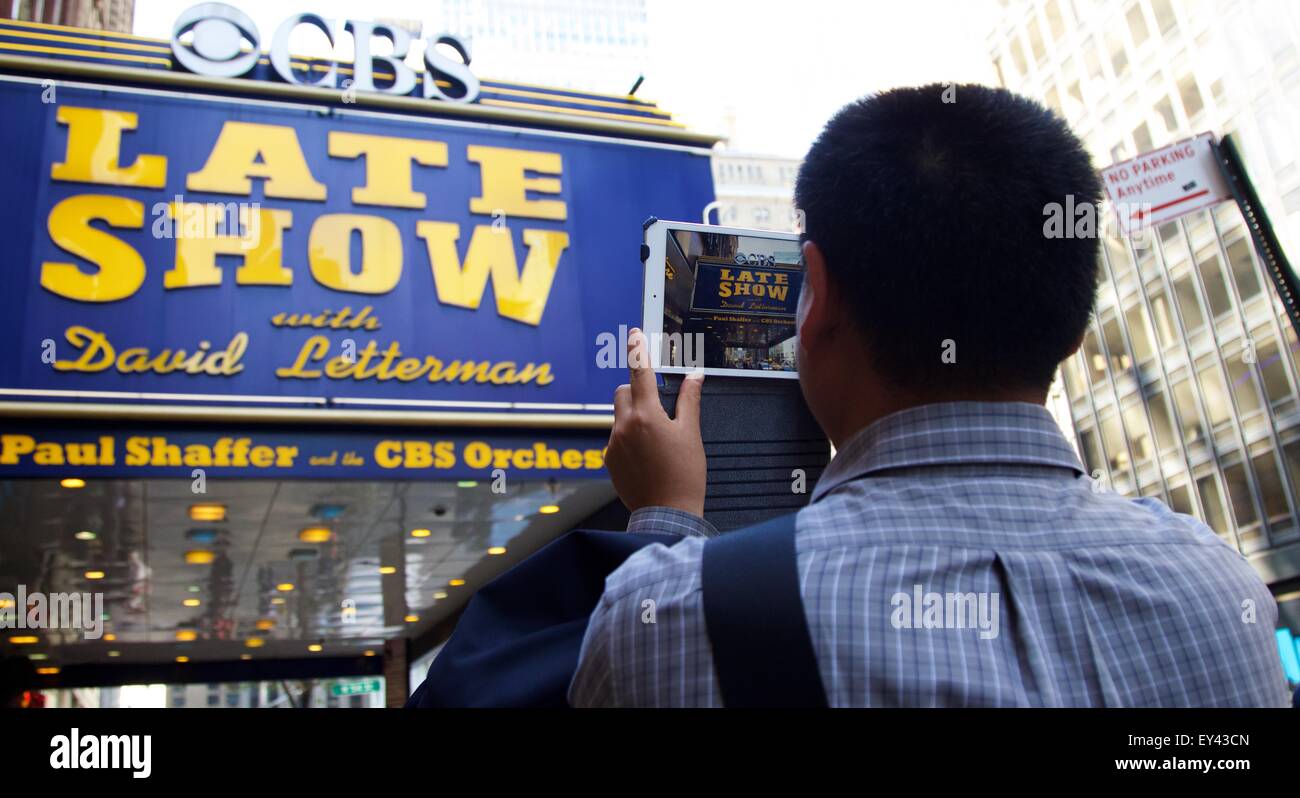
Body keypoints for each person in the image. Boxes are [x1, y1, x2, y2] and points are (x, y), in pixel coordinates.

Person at [567, 84, 1291, 707]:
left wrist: (664, 522)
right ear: (1072, 331)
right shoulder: (1220, 591)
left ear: (816, 302)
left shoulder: (674, 614)